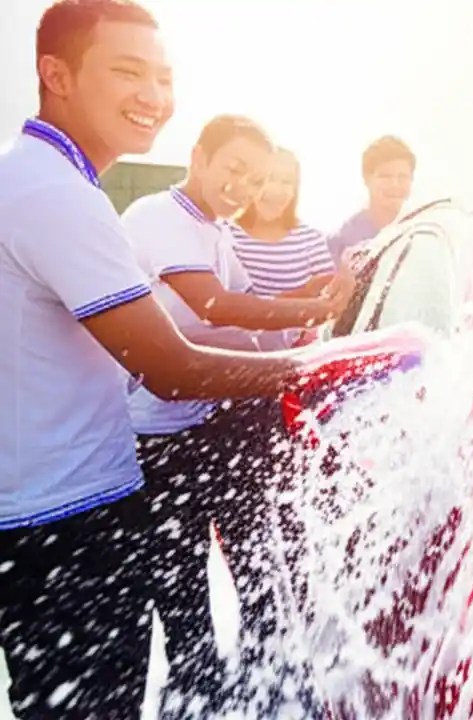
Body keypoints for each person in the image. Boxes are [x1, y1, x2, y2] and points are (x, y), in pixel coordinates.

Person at [0, 2, 314, 716]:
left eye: (164, 78)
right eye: (128, 72)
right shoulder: (52, 193)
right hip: (62, 527)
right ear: (56, 75)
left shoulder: (46, 181)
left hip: (59, 512)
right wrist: (316, 368)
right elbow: (172, 368)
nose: (153, 97)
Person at [122, 114, 353, 715]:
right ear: (198, 157)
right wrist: (308, 307)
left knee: (256, 567)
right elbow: (217, 306)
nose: (243, 187)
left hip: (220, 425)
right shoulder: (156, 216)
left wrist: (318, 318)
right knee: (181, 592)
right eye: (234, 169)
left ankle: (265, 686)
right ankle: (198, 696)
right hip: (158, 438)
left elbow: (257, 318)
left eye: (254, 178)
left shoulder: (217, 231)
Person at [328, 135, 415, 262]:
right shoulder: (343, 241)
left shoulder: (421, 233)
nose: (395, 184)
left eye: (402, 177)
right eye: (385, 176)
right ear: (366, 179)